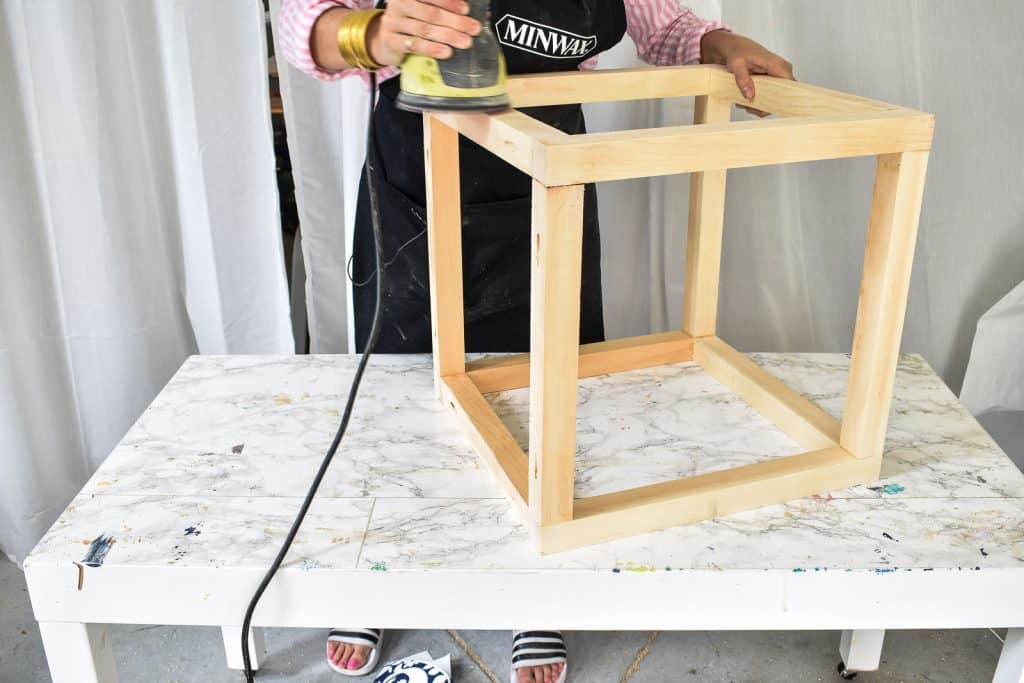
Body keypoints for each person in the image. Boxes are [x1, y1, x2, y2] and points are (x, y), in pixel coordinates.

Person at [279, 1, 793, 680]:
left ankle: (538, 585)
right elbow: (301, 22)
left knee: (549, 389)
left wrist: (719, 42)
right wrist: (364, 34)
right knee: (398, 393)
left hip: (543, 183)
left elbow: (657, 23)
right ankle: (377, 567)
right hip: (413, 190)